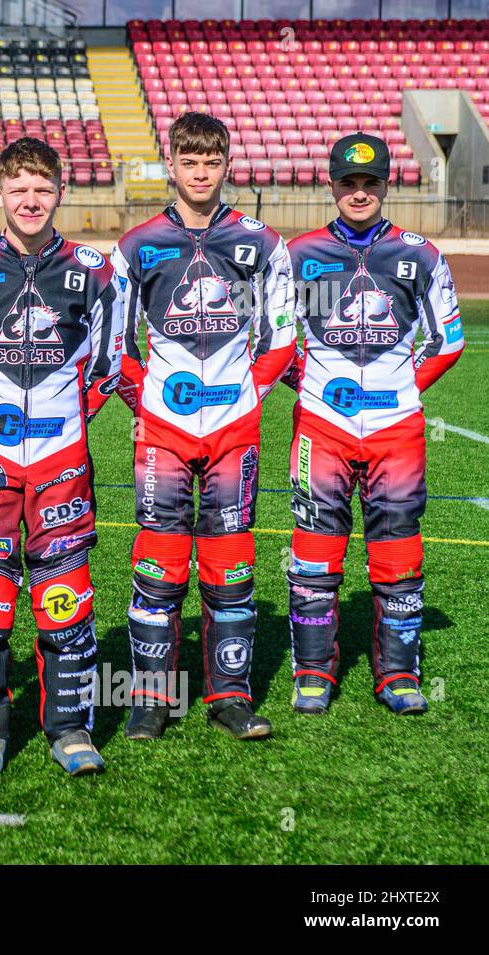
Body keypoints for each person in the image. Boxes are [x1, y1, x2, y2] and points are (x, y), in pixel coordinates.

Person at [0, 137, 123, 778]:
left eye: (42, 190)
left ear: (59, 193)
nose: (31, 201)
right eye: (19, 190)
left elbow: (105, 367)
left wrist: (57, 427)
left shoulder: (96, 272)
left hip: (62, 457)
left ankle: (70, 728)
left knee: (65, 596)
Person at [110, 111, 295, 741]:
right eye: (188, 162)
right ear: (172, 166)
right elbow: (113, 344)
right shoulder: (135, 246)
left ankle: (230, 696)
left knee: (232, 565)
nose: (199, 173)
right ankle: (151, 699)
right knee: (158, 564)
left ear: (225, 167)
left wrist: (247, 393)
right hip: (161, 431)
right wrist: (147, 400)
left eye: (210, 162)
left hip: (234, 430)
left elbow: (282, 337)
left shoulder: (261, 243)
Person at [281, 134, 462, 715]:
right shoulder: (298, 254)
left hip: (397, 431)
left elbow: (448, 340)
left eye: (370, 183)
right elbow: (274, 339)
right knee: (314, 549)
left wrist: (401, 386)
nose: (359, 193)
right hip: (321, 428)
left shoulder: (421, 255)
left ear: (387, 185)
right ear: (331, 185)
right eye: (348, 183)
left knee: (398, 550)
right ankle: (313, 672)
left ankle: (398, 675)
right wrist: (315, 384)